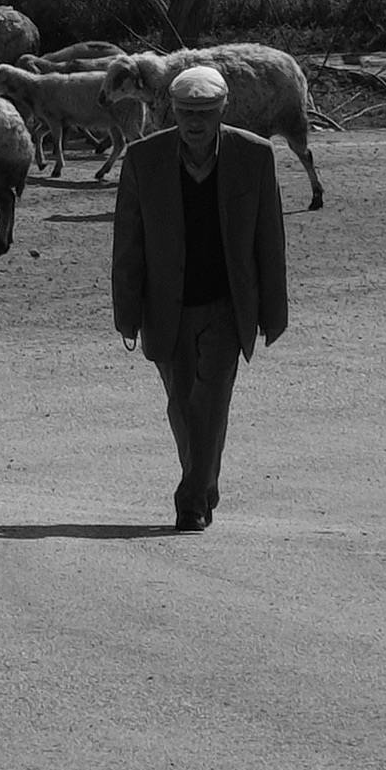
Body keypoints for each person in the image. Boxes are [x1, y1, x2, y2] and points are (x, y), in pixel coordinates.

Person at [108, 55, 292, 530]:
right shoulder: (144, 159)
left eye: (205, 112)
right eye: (187, 112)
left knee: (211, 400)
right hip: (165, 306)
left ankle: (189, 500)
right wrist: (126, 312)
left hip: (226, 305)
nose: (194, 122)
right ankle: (203, 480)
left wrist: (273, 311)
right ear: (172, 110)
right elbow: (128, 243)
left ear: (222, 110)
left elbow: (269, 238)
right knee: (181, 403)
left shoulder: (254, 156)